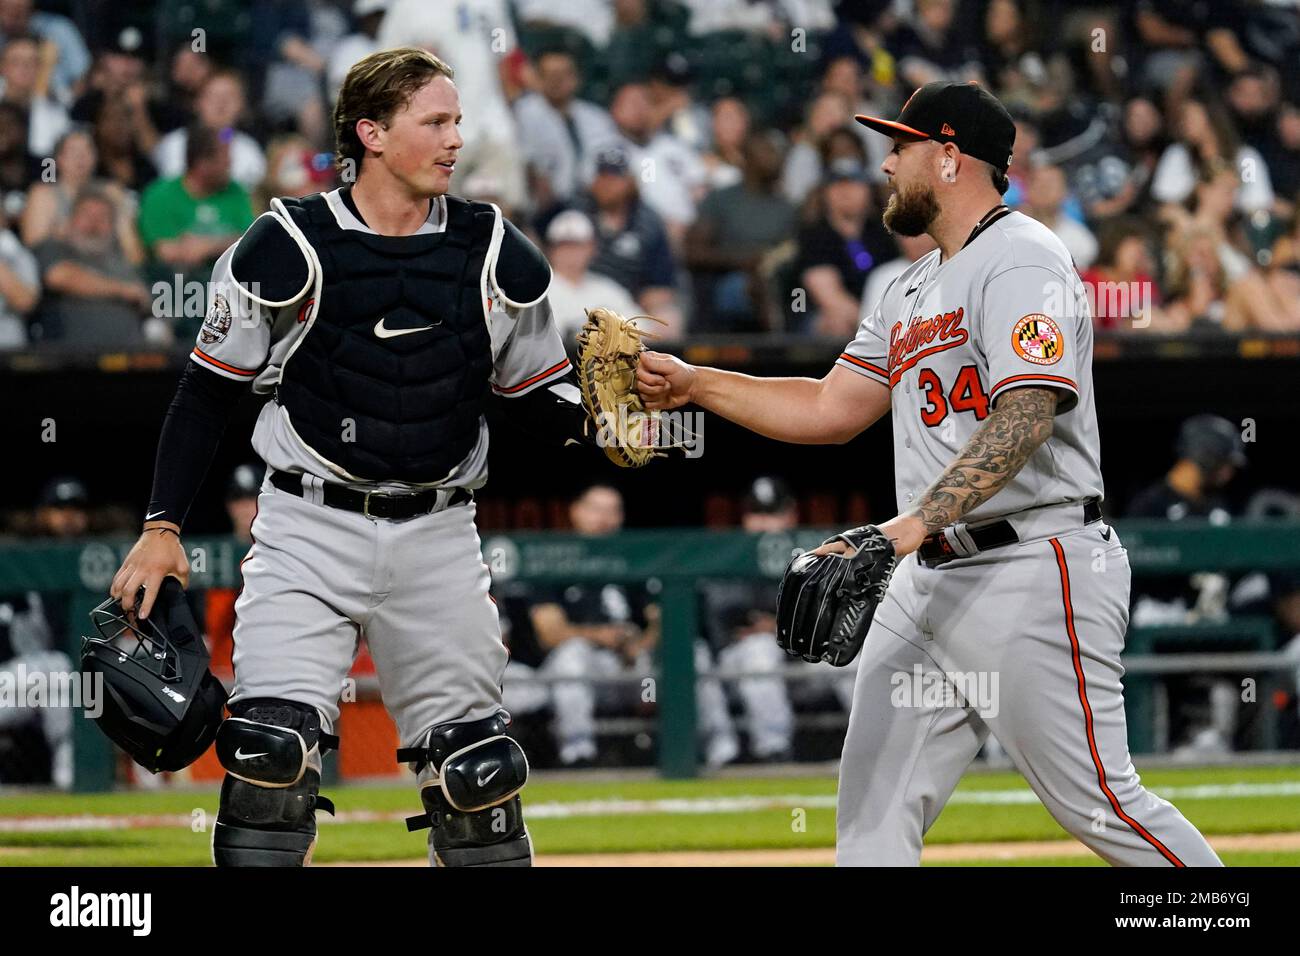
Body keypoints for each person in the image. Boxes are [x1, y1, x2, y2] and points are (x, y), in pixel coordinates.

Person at [637, 80, 1222, 867]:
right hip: (928, 579)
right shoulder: (909, 286)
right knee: (872, 819)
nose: (885, 166)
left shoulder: (1023, 256)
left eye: (900, 147)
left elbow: (1027, 410)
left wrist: (910, 526)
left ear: (949, 158)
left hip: (1034, 567)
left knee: (1102, 804)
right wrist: (696, 382)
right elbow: (829, 407)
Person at [108, 48, 608, 868]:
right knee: (268, 761)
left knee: (479, 778)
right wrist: (163, 524)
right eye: (436, 121)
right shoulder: (284, 245)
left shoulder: (495, 250)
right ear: (372, 132)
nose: (456, 139)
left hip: (441, 533)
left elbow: (534, 405)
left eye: (456, 120)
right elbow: (204, 394)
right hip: (310, 524)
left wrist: (600, 421)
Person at [532, 484, 739, 768]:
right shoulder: (555, 560)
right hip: (591, 667)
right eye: (596, 509)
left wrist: (641, 643)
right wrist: (602, 637)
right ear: (575, 511)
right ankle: (578, 754)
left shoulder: (636, 557)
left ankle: (723, 751)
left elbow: (663, 617)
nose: (604, 518)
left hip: (636, 670)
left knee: (691, 652)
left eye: (612, 511)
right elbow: (550, 633)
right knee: (572, 656)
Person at [685, 131, 796, 331]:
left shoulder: (787, 208)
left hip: (779, 283)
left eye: (779, 152)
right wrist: (742, 261)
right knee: (744, 286)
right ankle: (775, 337)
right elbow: (693, 252)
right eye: (767, 151)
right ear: (746, 158)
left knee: (799, 295)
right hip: (727, 280)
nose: (775, 157)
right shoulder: (721, 199)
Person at [137, 124, 256, 293]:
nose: (230, 163)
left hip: (231, 283)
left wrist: (209, 246)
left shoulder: (235, 191)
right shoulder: (161, 195)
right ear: (202, 164)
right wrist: (228, 242)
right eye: (224, 158)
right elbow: (166, 252)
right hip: (178, 287)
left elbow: (251, 239)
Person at [579, 145, 683, 335]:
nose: (607, 184)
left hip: (629, 303)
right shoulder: (577, 210)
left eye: (615, 178)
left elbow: (662, 284)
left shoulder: (648, 222)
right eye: (603, 177)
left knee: (668, 319)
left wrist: (638, 303)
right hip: (580, 294)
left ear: (630, 181)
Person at [32, 187, 153, 347]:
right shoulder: (54, 248)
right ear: (70, 220)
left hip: (130, 356)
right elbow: (59, 277)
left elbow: (145, 295)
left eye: (103, 217)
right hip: (71, 357)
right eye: (86, 215)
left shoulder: (122, 259)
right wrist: (123, 290)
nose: (94, 224)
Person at [792, 158, 897, 336]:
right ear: (825, 192)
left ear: (868, 190)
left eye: (854, 183)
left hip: (878, 316)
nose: (845, 191)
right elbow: (830, 298)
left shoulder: (882, 232)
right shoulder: (815, 234)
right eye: (837, 184)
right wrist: (881, 328)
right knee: (836, 323)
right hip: (814, 314)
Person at [513, 47, 620, 208]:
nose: (557, 80)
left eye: (564, 74)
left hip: (594, 203)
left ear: (576, 78)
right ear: (537, 78)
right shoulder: (524, 112)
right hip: (544, 206)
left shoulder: (596, 117)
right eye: (549, 75)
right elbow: (526, 163)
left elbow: (615, 158)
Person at [151, 70, 267, 191]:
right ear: (197, 102)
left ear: (242, 106)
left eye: (229, 97)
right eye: (213, 96)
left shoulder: (250, 151)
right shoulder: (175, 144)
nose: (221, 104)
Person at [542, 209, 639, 345]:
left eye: (577, 246)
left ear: (592, 248)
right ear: (550, 249)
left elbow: (640, 328)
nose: (571, 253)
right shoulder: (539, 290)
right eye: (564, 246)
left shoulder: (607, 289)